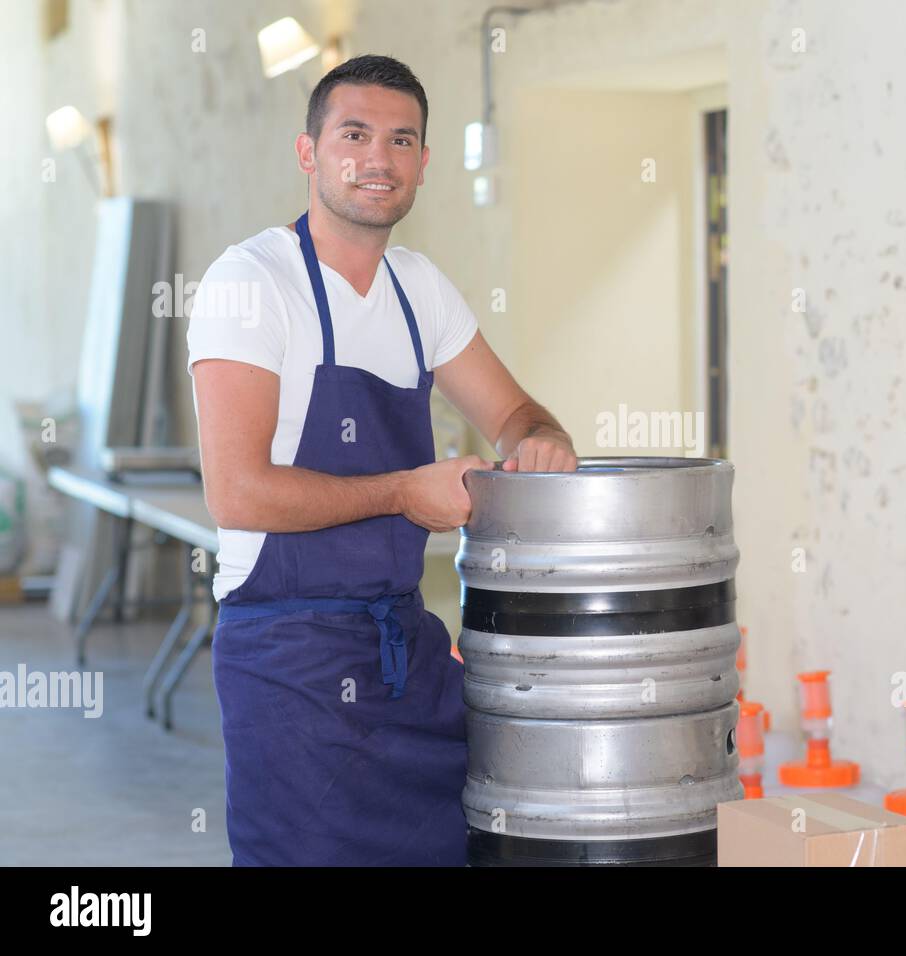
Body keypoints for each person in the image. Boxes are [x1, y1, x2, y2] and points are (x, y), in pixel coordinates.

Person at [186, 54, 577, 865]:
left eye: (402, 141)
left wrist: (541, 438)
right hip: (288, 663)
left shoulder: (418, 289)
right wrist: (406, 491)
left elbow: (514, 411)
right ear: (309, 152)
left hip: (401, 646)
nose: (378, 159)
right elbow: (238, 494)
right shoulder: (251, 282)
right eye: (355, 134)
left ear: (425, 165)